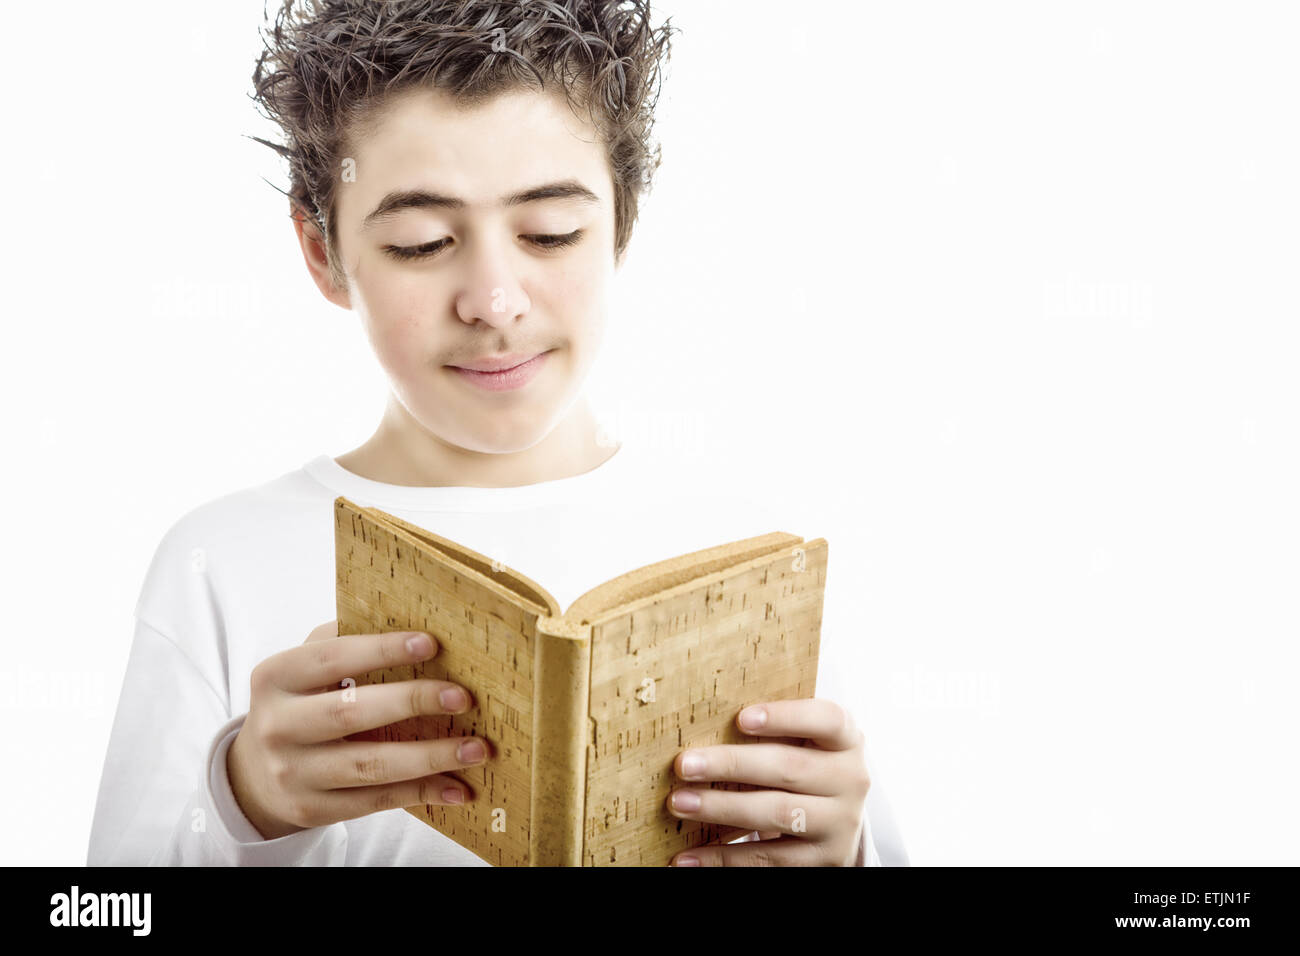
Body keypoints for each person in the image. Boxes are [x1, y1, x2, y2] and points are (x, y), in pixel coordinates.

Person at [88, 0, 909, 867]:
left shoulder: (747, 558)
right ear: (323, 252)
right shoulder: (221, 560)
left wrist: (843, 856)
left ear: (622, 223)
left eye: (551, 232)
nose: (494, 300)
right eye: (421, 242)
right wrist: (243, 800)